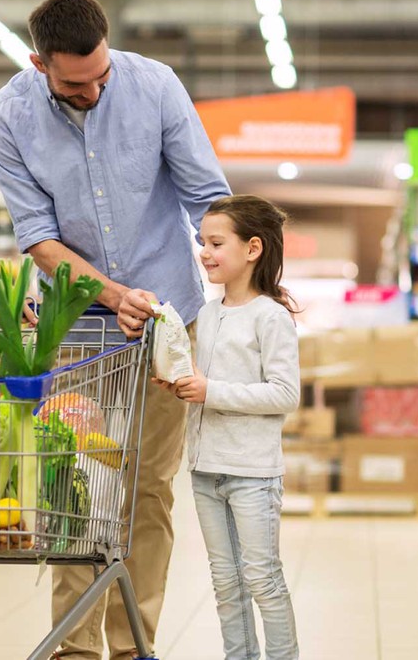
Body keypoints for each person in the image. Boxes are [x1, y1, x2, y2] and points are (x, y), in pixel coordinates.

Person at [0, 0, 231, 659]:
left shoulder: (153, 84)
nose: (92, 90)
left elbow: (207, 195)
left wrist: (249, 275)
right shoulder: (7, 115)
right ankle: (76, 650)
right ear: (38, 63)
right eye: (73, 83)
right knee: (73, 487)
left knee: (145, 491)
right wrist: (113, 293)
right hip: (73, 325)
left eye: (100, 76)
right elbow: (38, 238)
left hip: (165, 327)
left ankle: (132, 647)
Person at [155, 195, 301, 660]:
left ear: (253, 248)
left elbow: (284, 394)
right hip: (205, 470)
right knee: (225, 581)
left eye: (216, 242)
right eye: (203, 242)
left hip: (252, 473)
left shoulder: (271, 317)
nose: (205, 251)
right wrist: (178, 383)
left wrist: (210, 390)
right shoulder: (209, 313)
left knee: (263, 578)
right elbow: (204, 383)